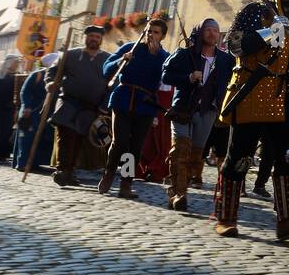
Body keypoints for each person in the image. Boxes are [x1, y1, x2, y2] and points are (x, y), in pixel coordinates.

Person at [214, 0, 289, 240]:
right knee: (240, 158)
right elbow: (234, 45)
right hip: (252, 89)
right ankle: (226, 217)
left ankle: (285, 220)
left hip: (286, 94)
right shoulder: (255, 11)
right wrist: (271, 32)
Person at [161, 18, 235, 212]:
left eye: (216, 30)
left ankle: (180, 187)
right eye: (208, 29)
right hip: (183, 108)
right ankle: (178, 194)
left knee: (195, 157)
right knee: (180, 150)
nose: (212, 33)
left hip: (208, 111)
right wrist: (188, 77)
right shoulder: (185, 55)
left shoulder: (226, 60)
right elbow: (166, 76)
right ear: (200, 33)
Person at [98, 17, 170, 199]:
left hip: (145, 104)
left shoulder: (163, 56)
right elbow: (107, 69)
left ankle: (125, 183)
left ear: (162, 36)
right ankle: (108, 174)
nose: (150, 34)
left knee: (135, 146)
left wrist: (162, 61)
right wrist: (122, 59)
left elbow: (168, 79)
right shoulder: (131, 47)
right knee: (120, 141)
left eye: (155, 32)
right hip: (123, 99)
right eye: (149, 30)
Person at [46, 25, 111, 187]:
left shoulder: (108, 59)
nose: (94, 39)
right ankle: (62, 170)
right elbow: (53, 72)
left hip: (91, 107)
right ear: (85, 38)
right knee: (66, 136)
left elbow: (113, 83)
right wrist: (50, 82)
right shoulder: (70, 55)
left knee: (80, 139)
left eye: (97, 37)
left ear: (101, 40)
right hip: (68, 102)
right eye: (91, 36)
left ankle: (69, 171)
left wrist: (105, 105)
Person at [14, 53, 59, 172]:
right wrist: (27, 106)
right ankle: (22, 163)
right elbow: (25, 92)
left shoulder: (58, 77)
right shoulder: (37, 75)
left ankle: (35, 162)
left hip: (48, 112)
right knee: (27, 138)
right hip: (31, 111)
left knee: (42, 138)